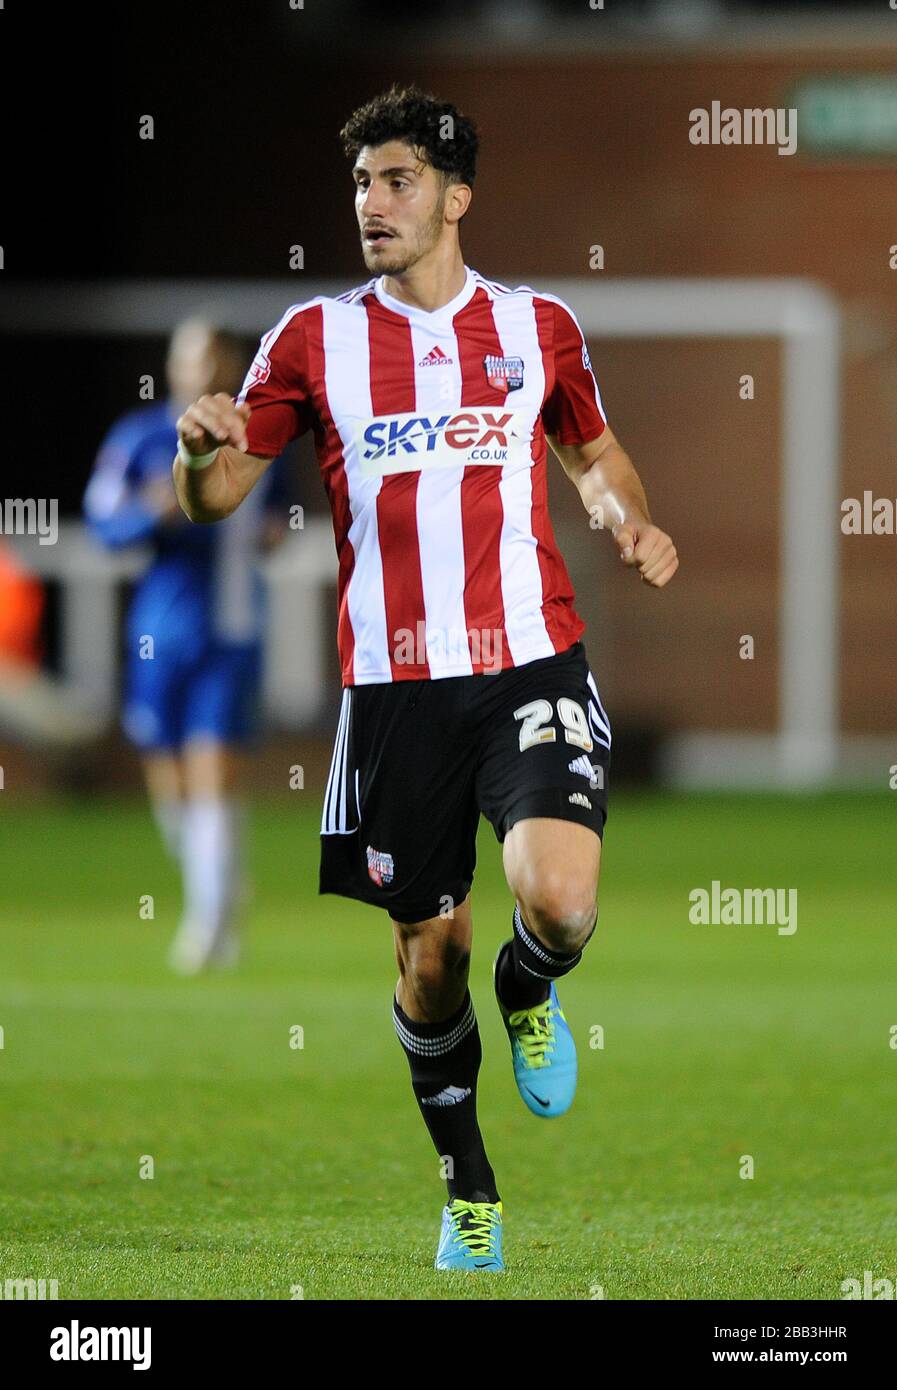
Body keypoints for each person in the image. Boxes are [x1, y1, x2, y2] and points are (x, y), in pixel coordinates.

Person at [172, 85, 678, 1269]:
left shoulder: (536, 325)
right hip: (395, 693)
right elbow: (223, 493)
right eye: (360, 183)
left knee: (558, 900)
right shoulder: (312, 339)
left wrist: (626, 520)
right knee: (426, 956)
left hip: (527, 659)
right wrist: (201, 456)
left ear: (457, 197)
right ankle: (469, 1188)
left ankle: (534, 984)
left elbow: (589, 451)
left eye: (395, 181)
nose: (371, 203)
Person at [85, 319, 289, 973]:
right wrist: (160, 506)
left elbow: (278, 517)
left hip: (229, 633)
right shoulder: (140, 437)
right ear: (172, 366)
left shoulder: (255, 437)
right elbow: (104, 524)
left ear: (228, 366)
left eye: (213, 358)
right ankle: (220, 877)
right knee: (170, 785)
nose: (201, 371)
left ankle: (208, 929)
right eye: (189, 358)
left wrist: (267, 534)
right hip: (157, 635)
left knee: (212, 773)